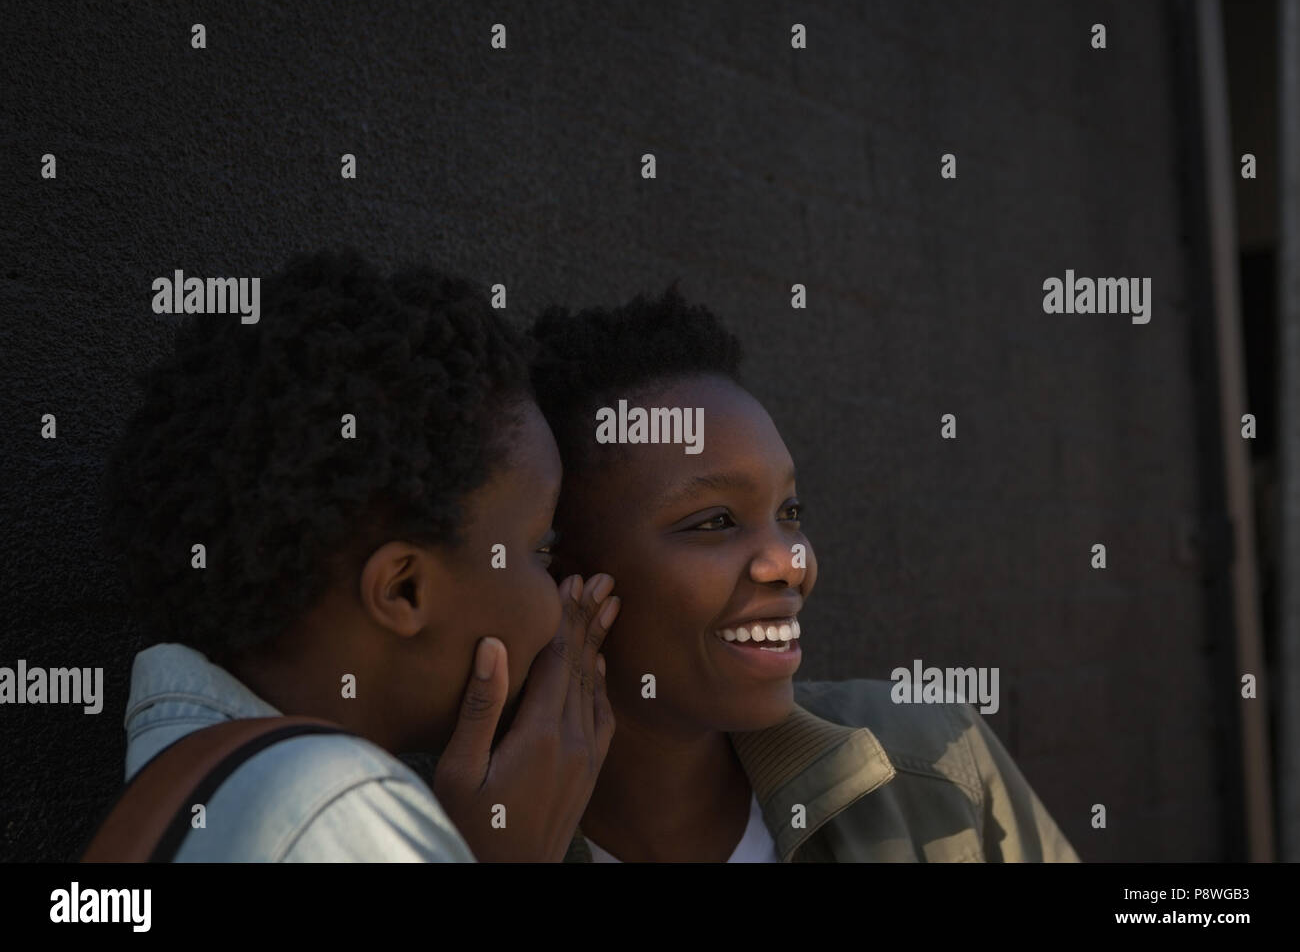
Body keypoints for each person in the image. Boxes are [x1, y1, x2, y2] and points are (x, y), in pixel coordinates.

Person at [99, 249, 620, 861]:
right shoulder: (340, 818)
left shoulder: (187, 778)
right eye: (541, 549)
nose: (561, 592)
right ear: (404, 590)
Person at [529, 287, 1080, 862]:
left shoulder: (936, 760)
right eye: (714, 521)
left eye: (789, 513)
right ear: (564, 577)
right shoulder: (457, 836)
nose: (791, 564)